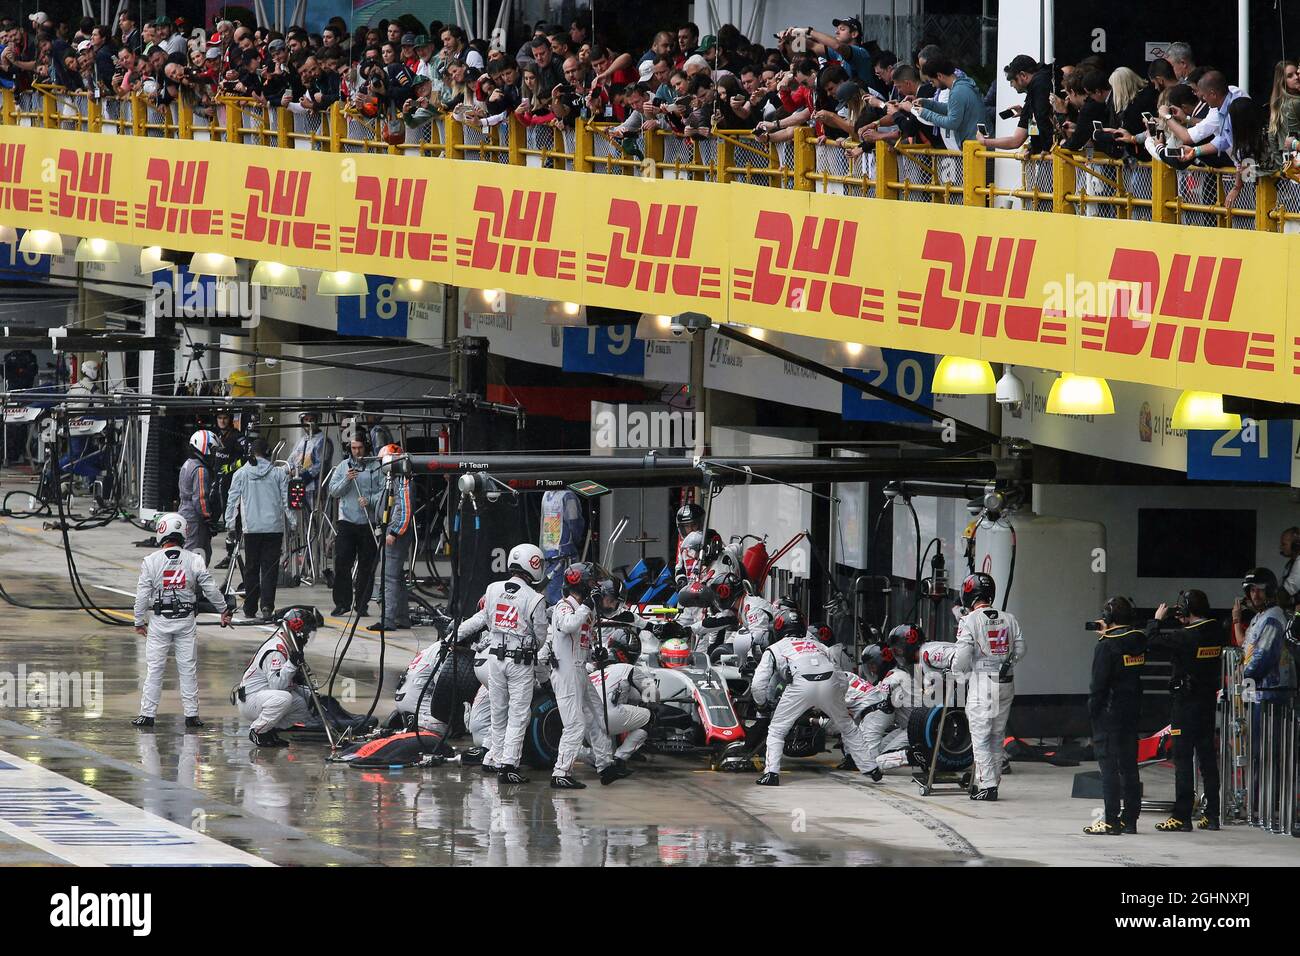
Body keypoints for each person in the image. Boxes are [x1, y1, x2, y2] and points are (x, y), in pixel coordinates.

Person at [752, 603, 879, 786]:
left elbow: (758, 683)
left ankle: (771, 774)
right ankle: (871, 769)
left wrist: (761, 704)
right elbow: (841, 676)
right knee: (848, 727)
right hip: (830, 682)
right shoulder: (819, 646)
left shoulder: (775, 648)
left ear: (779, 628)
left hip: (800, 685)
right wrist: (838, 698)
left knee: (777, 730)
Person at [457, 543, 549, 784]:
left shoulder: (493, 588)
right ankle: (509, 764)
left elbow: (485, 619)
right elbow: (540, 636)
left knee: (498, 711)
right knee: (518, 714)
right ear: (535, 565)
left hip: (494, 658)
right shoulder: (535, 598)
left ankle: (494, 758)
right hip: (520, 662)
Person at [131, 512, 232, 729]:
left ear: (161, 533)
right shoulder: (194, 560)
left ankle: (147, 715)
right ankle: (192, 716)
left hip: (159, 622)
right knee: (187, 669)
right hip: (186, 621)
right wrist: (224, 610)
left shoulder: (151, 561)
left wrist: (139, 621)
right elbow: (211, 589)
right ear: (184, 533)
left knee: (155, 669)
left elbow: (141, 596)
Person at [1147, 590, 1229, 831]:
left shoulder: (1185, 636)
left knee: (1182, 760)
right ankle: (1211, 815)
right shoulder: (1216, 631)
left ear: (1186, 611)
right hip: (1206, 703)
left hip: (1185, 704)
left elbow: (1151, 642)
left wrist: (1157, 620)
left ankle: (1181, 817)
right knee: (1207, 759)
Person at [952, 572, 1025, 800]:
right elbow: (1021, 650)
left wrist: (955, 672)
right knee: (996, 735)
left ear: (969, 594)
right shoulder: (1009, 618)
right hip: (1006, 683)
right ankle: (992, 782)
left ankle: (987, 786)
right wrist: (1005, 664)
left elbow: (962, 657)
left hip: (983, 684)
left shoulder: (970, 620)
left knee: (981, 736)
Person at [1084, 596, 1147, 835]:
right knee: (1129, 766)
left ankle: (1110, 820)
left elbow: (1098, 686)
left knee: (1109, 768)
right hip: (1131, 711)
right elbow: (1137, 635)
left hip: (1108, 714)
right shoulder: (1139, 640)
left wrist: (1092, 712)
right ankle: (1130, 820)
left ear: (1109, 618)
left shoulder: (1106, 646)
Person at [1236, 567, 1298, 798]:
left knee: (1269, 752)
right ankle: (1260, 801)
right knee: (1259, 751)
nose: (1255, 595)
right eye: (1251, 590)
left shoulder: (1273, 617)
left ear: (1270, 590)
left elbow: (1264, 655)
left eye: (1259, 590)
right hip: (1259, 692)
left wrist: (1243, 678)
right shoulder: (1258, 618)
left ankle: (1267, 802)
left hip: (1271, 694)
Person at [224, 438, 296, 622]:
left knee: (251, 569)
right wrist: (293, 522)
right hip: (274, 528)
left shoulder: (241, 473)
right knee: (269, 569)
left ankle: (249, 607)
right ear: (268, 452)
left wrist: (230, 525)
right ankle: (267, 606)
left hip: (252, 529)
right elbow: (286, 500)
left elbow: (232, 501)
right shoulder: (279, 473)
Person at [543, 561, 598, 789]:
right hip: (565, 672)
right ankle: (561, 772)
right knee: (575, 724)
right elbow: (568, 626)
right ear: (582, 585)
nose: (594, 586)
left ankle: (602, 762)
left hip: (578, 670)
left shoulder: (583, 609)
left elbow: (584, 640)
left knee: (592, 717)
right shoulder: (564, 607)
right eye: (591, 583)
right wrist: (586, 608)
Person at [235, 607, 319, 747]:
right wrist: (292, 664)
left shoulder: (289, 645)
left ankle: (269, 728)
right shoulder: (277, 649)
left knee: (302, 704)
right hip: (250, 699)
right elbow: (277, 685)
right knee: (284, 698)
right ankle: (257, 731)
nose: (307, 637)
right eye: (306, 632)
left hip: (264, 696)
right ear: (298, 632)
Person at [844, 625, 922, 772]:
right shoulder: (892, 676)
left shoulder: (894, 678)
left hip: (917, 730)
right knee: (878, 752)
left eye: (873, 665)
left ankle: (915, 756)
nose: (872, 669)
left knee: (874, 762)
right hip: (905, 728)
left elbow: (876, 706)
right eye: (870, 666)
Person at [326, 434, 382, 618]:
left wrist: (370, 501)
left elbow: (383, 491)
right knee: (342, 562)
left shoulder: (376, 467)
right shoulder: (343, 467)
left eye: (359, 448)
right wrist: (346, 480)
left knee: (367, 565)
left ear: (366, 447)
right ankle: (342, 603)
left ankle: (362, 604)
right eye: (353, 448)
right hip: (347, 522)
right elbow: (333, 491)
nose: (356, 451)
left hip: (368, 521)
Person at [585, 633, 656, 772]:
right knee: (650, 717)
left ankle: (582, 753)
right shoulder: (628, 668)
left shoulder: (592, 673)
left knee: (605, 760)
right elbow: (653, 692)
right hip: (608, 718)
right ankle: (621, 757)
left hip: (587, 723)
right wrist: (649, 704)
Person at [370, 443, 413, 631]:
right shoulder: (395, 478)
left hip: (396, 534)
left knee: (389, 578)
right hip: (392, 532)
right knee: (396, 578)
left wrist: (394, 532)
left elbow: (404, 509)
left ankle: (388, 620)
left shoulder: (402, 479)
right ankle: (402, 617)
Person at [178, 429, 218, 564]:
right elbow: (200, 498)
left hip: (184, 511)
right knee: (198, 553)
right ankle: (193, 584)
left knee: (189, 549)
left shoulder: (188, 463)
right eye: (212, 449)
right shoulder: (201, 470)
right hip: (195, 518)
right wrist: (208, 518)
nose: (214, 454)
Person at [539, 487, 584, 603]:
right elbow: (574, 523)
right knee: (564, 588)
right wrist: (577, 541)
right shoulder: (568, 496)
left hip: (549, 548)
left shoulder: (546, 494)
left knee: (552, 586)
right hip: (564, 549)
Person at [286, 410, 332, 510]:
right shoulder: (301, 440)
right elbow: (291, 459)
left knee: (316, 519)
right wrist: (286, 470)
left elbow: (321, 466)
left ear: (317, 421)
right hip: (300, 488)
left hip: (316, 489)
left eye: (312, 420)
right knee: (302, 521)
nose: (309, 423)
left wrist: (304, 475)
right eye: (306, 420)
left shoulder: (323, 440)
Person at [1279, 527, 1300, 605]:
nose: (1281, 547)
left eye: (1284, 544)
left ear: (1296, 545)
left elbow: (1286, 591)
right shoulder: (1290, 563)